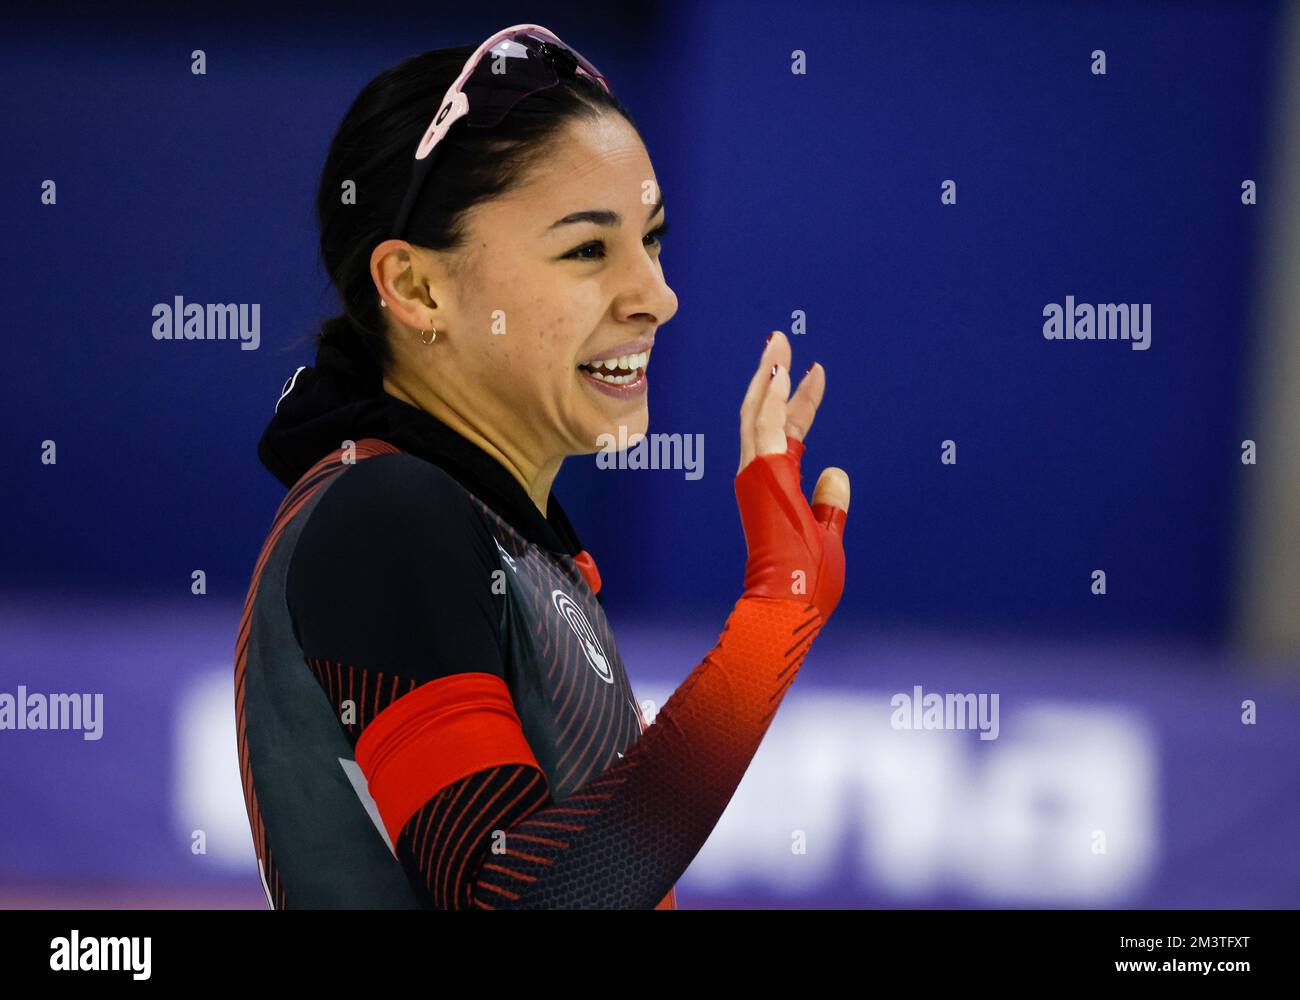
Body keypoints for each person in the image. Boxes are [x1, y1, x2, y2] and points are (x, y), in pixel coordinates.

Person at [234, 24, 850, 910]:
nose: (657, 297)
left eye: (653, 241)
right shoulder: (388, 514)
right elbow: (519, 901)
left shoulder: (501, 544)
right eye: (587, 249)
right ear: (416, 289)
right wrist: (769, 622)